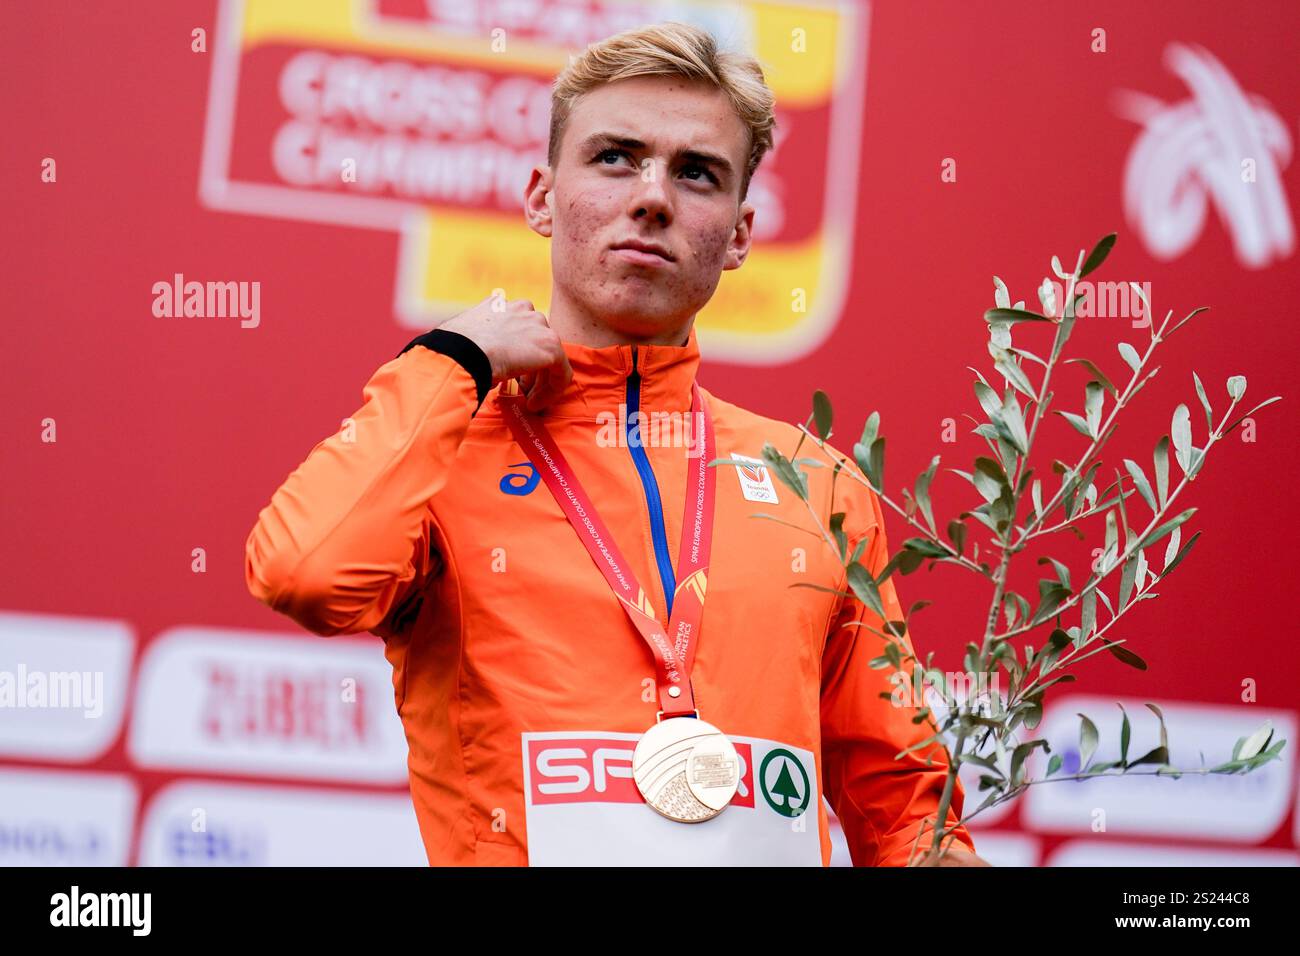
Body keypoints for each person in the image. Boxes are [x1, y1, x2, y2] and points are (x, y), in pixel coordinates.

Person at [245, 21, 984, 867]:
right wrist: (450, 361)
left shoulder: (816, 485)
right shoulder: (444, 452)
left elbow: (905, 811)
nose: (653, 196)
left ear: (740, 234)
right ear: (540, 199)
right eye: (615, 158)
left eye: (696, 173)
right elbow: (306, 576)